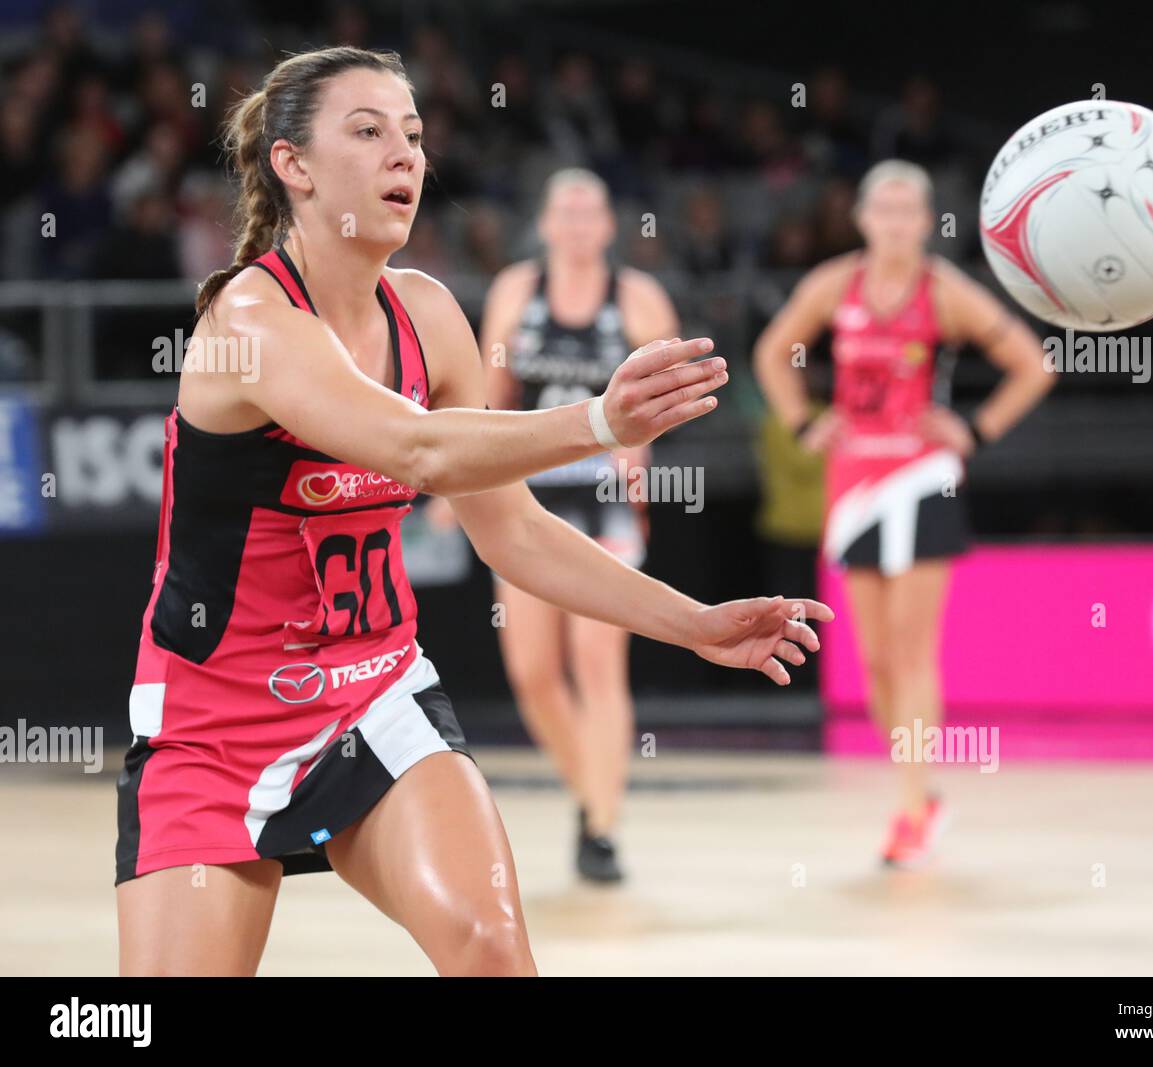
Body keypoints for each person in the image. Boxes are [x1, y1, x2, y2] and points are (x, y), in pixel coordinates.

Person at [115, 46, 831, 977]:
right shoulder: (250, 321)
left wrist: (692, 622)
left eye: (412, 135)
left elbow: (518, 532)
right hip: (212, 725)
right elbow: (419, 447)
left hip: (374, 695)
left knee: (492, 948)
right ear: (291, 164)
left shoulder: (430, 314)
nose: (405, 156)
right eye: (368, 132)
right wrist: (599, 422)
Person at [754, 159, 1052, 868]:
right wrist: (802, 421)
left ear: (925, 221)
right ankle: (920, 793)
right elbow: (771, 351)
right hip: (855, 485)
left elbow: (1034, 362)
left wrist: (975, 430)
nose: (893, 222)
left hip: (923, 480)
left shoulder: (943, 292)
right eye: (881, 209)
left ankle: (912, 809)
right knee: (876, 659)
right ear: (861, 218)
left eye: (906, 210)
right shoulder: (836, 284)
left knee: (915, 651)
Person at [472, 167, 676, 882]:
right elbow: (489, 393)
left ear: (610, 226)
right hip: (525, 497)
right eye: (568, 209)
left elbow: (669, 392)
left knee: (596, 663)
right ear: (548, 223)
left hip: (605, 498)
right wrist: (464, 477)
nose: (581, 222)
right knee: (531, 672)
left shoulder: (639, 299)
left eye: (593, 210)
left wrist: (639, 449)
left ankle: (603, 825)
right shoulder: (515, 291)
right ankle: (589, 794)